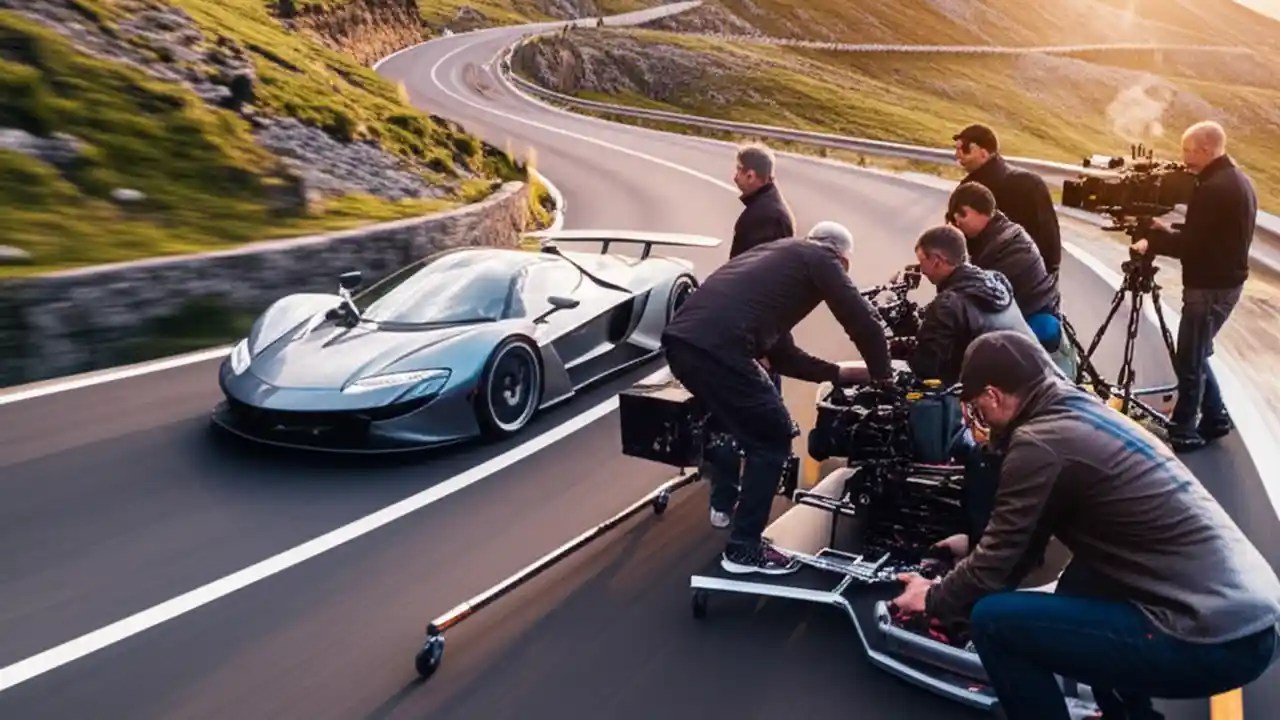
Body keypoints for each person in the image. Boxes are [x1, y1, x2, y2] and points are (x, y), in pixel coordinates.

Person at [893, 330, 1280, 719]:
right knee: (1079, 586)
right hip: (1250, 616)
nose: (981, 421)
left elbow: (998, 565)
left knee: (993, 623)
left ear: (993, 395)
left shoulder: (1037, 443)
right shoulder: (1078, 409)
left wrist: (934, 597)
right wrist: (976, 546)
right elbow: (1023, 543)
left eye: (978, 408)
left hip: (1210, 638)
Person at [662, 222, 893, 574]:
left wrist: (838, 373)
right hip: (720, 350)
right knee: (774, 435)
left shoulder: (781, 256)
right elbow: (864, 321)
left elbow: (784, 356)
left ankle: (728, 496)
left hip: (683, 345)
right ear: (843, 261)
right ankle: (743, 549)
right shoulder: (822, 259)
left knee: (742, 423)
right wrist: (884, 379)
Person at [1132, 120, 1256, 452]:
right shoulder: (1236, 180)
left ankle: (1183, 429)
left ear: (1207, 149)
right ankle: (1215, 417)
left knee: (1189, 358)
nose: (1184, 158)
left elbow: (1193, 245)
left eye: (1189, 151)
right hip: (1223, 282)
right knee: (1196, 353)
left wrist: (1153, 241)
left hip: (1210, 286)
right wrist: (1168, 230)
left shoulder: (1213, 187)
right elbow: (1209, 233)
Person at [908, 225, 1035, 387]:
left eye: (922, 262)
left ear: (936, 260)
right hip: (1036, 377)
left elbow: (925, 368)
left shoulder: (947, 305)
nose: (922, 271)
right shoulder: (996, 280)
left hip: (1006, 393)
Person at [948, 181, 1062, 350]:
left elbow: (979, 291)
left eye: (963, 214)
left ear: (982, 211)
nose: (958, 222)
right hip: (1018, 312)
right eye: (954, 218)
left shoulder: (1005, 243)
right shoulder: (991, 237)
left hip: (1031, 315)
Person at [952, 124, 1062, 278]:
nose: (958, 156)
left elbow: (954, 240)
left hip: (995, 279)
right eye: (956, 149)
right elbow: (1051, 247)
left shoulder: (969, 192)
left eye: (964, 149)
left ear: (983, 153)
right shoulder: (1031, 182)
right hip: (1030, 279)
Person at [730, 143, 796, 259]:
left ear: (750, 176)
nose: (735, 178)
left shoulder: (764, 217)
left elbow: (746, 265)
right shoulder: (769, 207)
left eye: (739, 170)